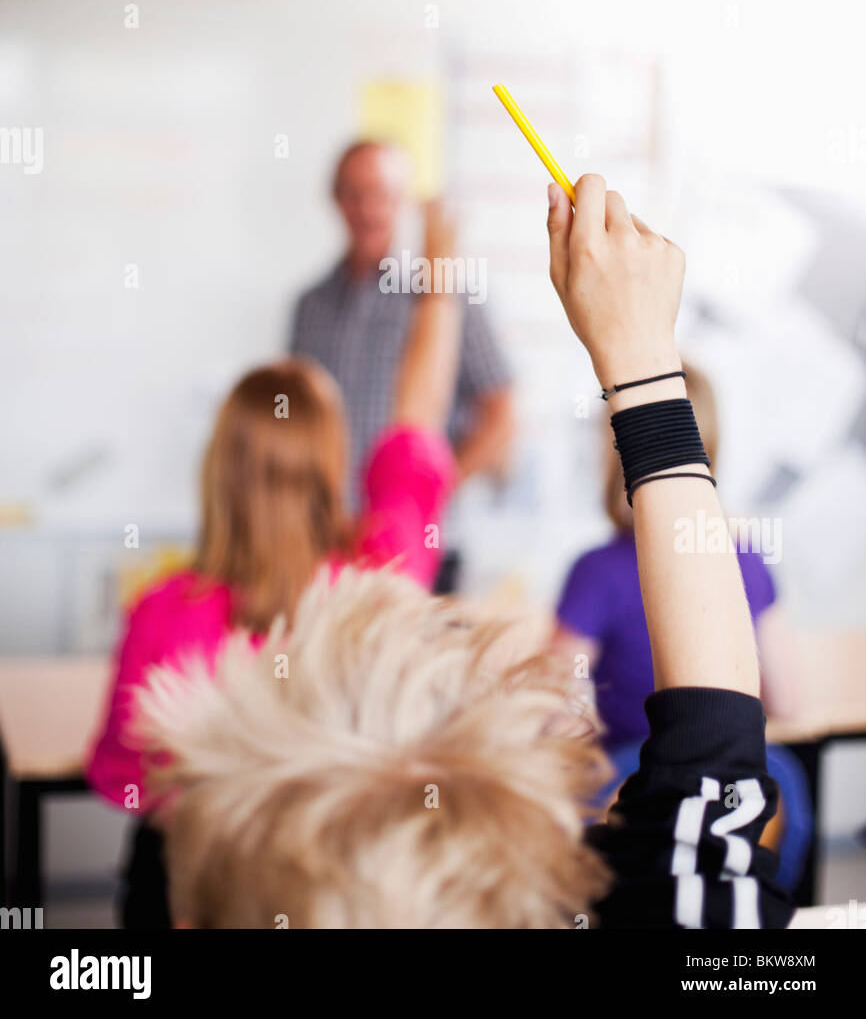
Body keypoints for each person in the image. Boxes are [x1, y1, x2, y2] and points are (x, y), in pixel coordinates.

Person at [134, 174, 795, 929]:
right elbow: (713, 759)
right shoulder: (378, 562)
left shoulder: (171, 607)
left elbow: (709, 755)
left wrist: (639, 364)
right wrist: (637, 355)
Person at [87, 203, 462, 927]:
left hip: (196, 886)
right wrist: (440, 277)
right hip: (332, 885)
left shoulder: (162, 612)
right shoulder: (382, 572)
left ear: (218, 472)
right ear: (332, 462)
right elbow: (420, 414)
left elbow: (127, 779)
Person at [554, 362, 813, 891]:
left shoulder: (595, 571)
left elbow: (558, 705)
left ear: (611, 458)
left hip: (636, 768)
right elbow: (787, 700)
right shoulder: (746, 557)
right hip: (750, 777)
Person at [289, 141, 515, 519]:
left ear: (401, 200)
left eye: (380, 194)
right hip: (330, 528)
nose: (367, 210)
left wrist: (428, 493)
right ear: (335, 199)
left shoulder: (445, 293)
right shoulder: (310, 306)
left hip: (418, 530)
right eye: (354, 194)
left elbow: (501, 413)